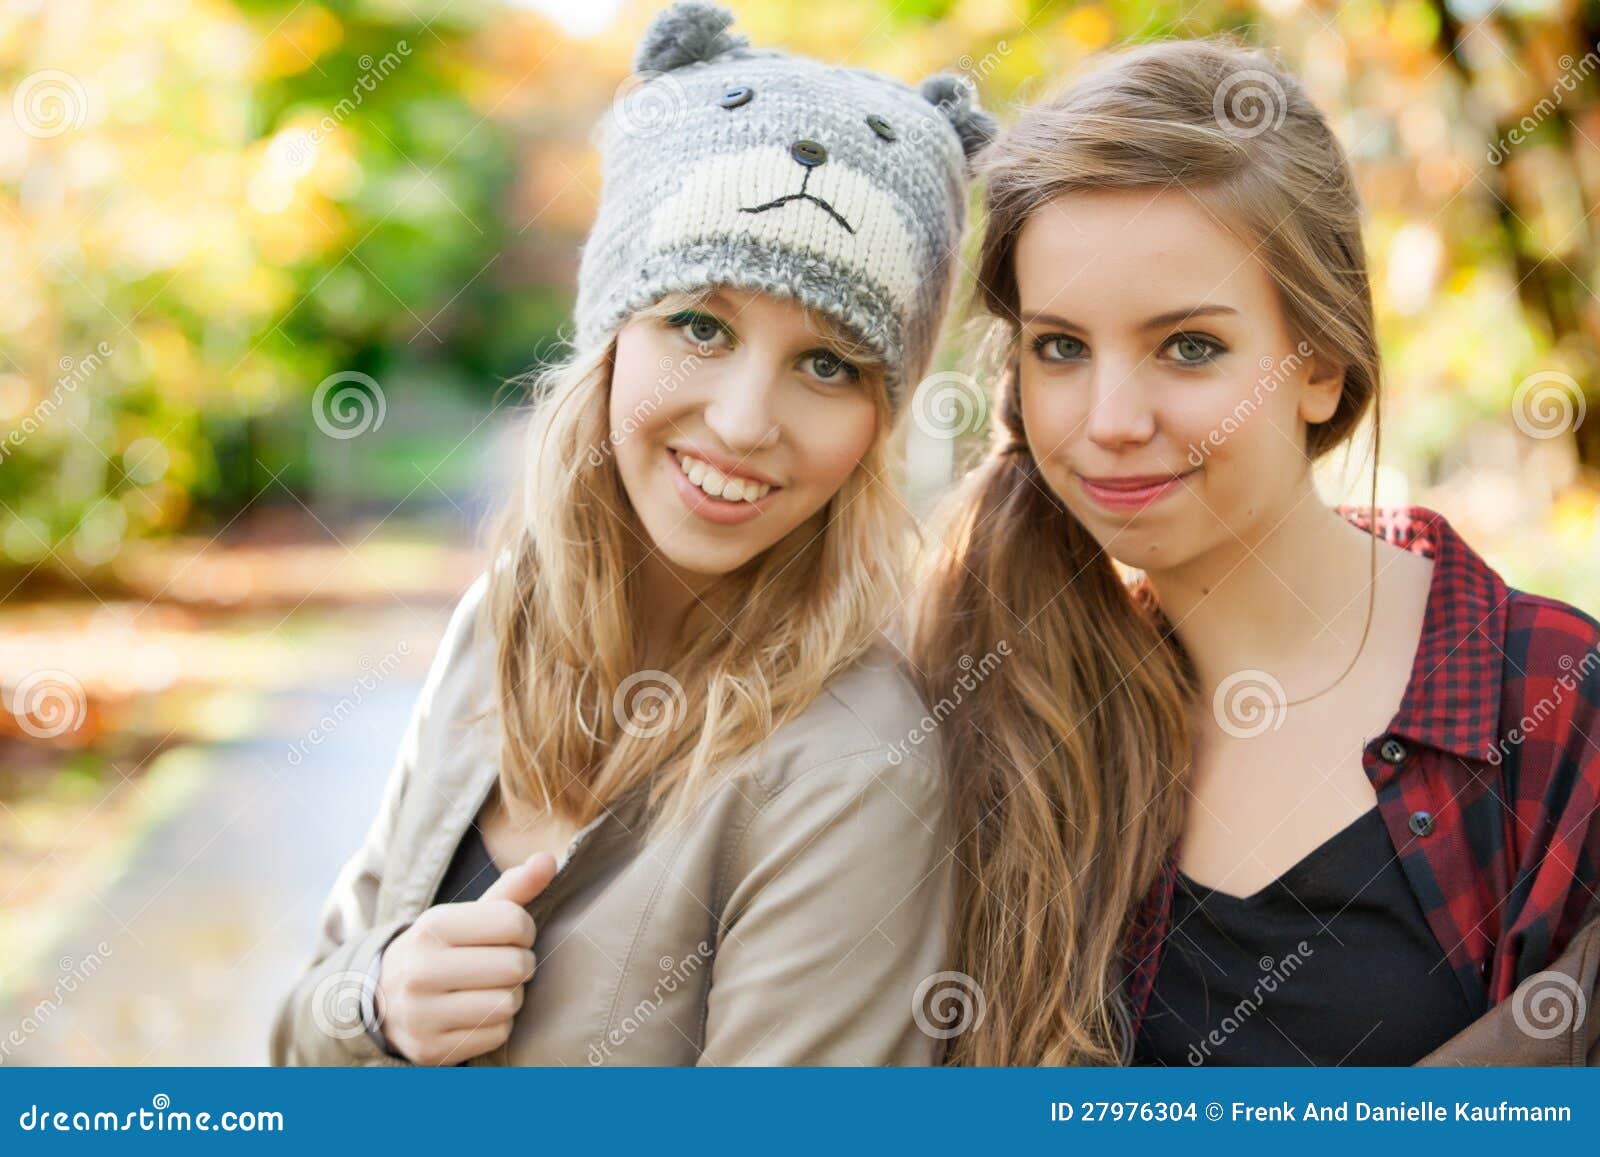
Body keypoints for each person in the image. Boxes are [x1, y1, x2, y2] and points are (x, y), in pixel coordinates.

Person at [270, 0, 996, 1067]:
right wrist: (376, 998)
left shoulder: (852, 773)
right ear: (610, 334)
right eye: (699, 325)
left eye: (828, 364)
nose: (746, 422)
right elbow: (296, 1029)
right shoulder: (499, 623)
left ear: (879, 422)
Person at [908, 36, 1600, 1066]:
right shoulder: (985, 703)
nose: (1108, 418)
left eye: (1188, 345)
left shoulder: (1545, 702)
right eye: (1060, 346)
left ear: (1316, 366)